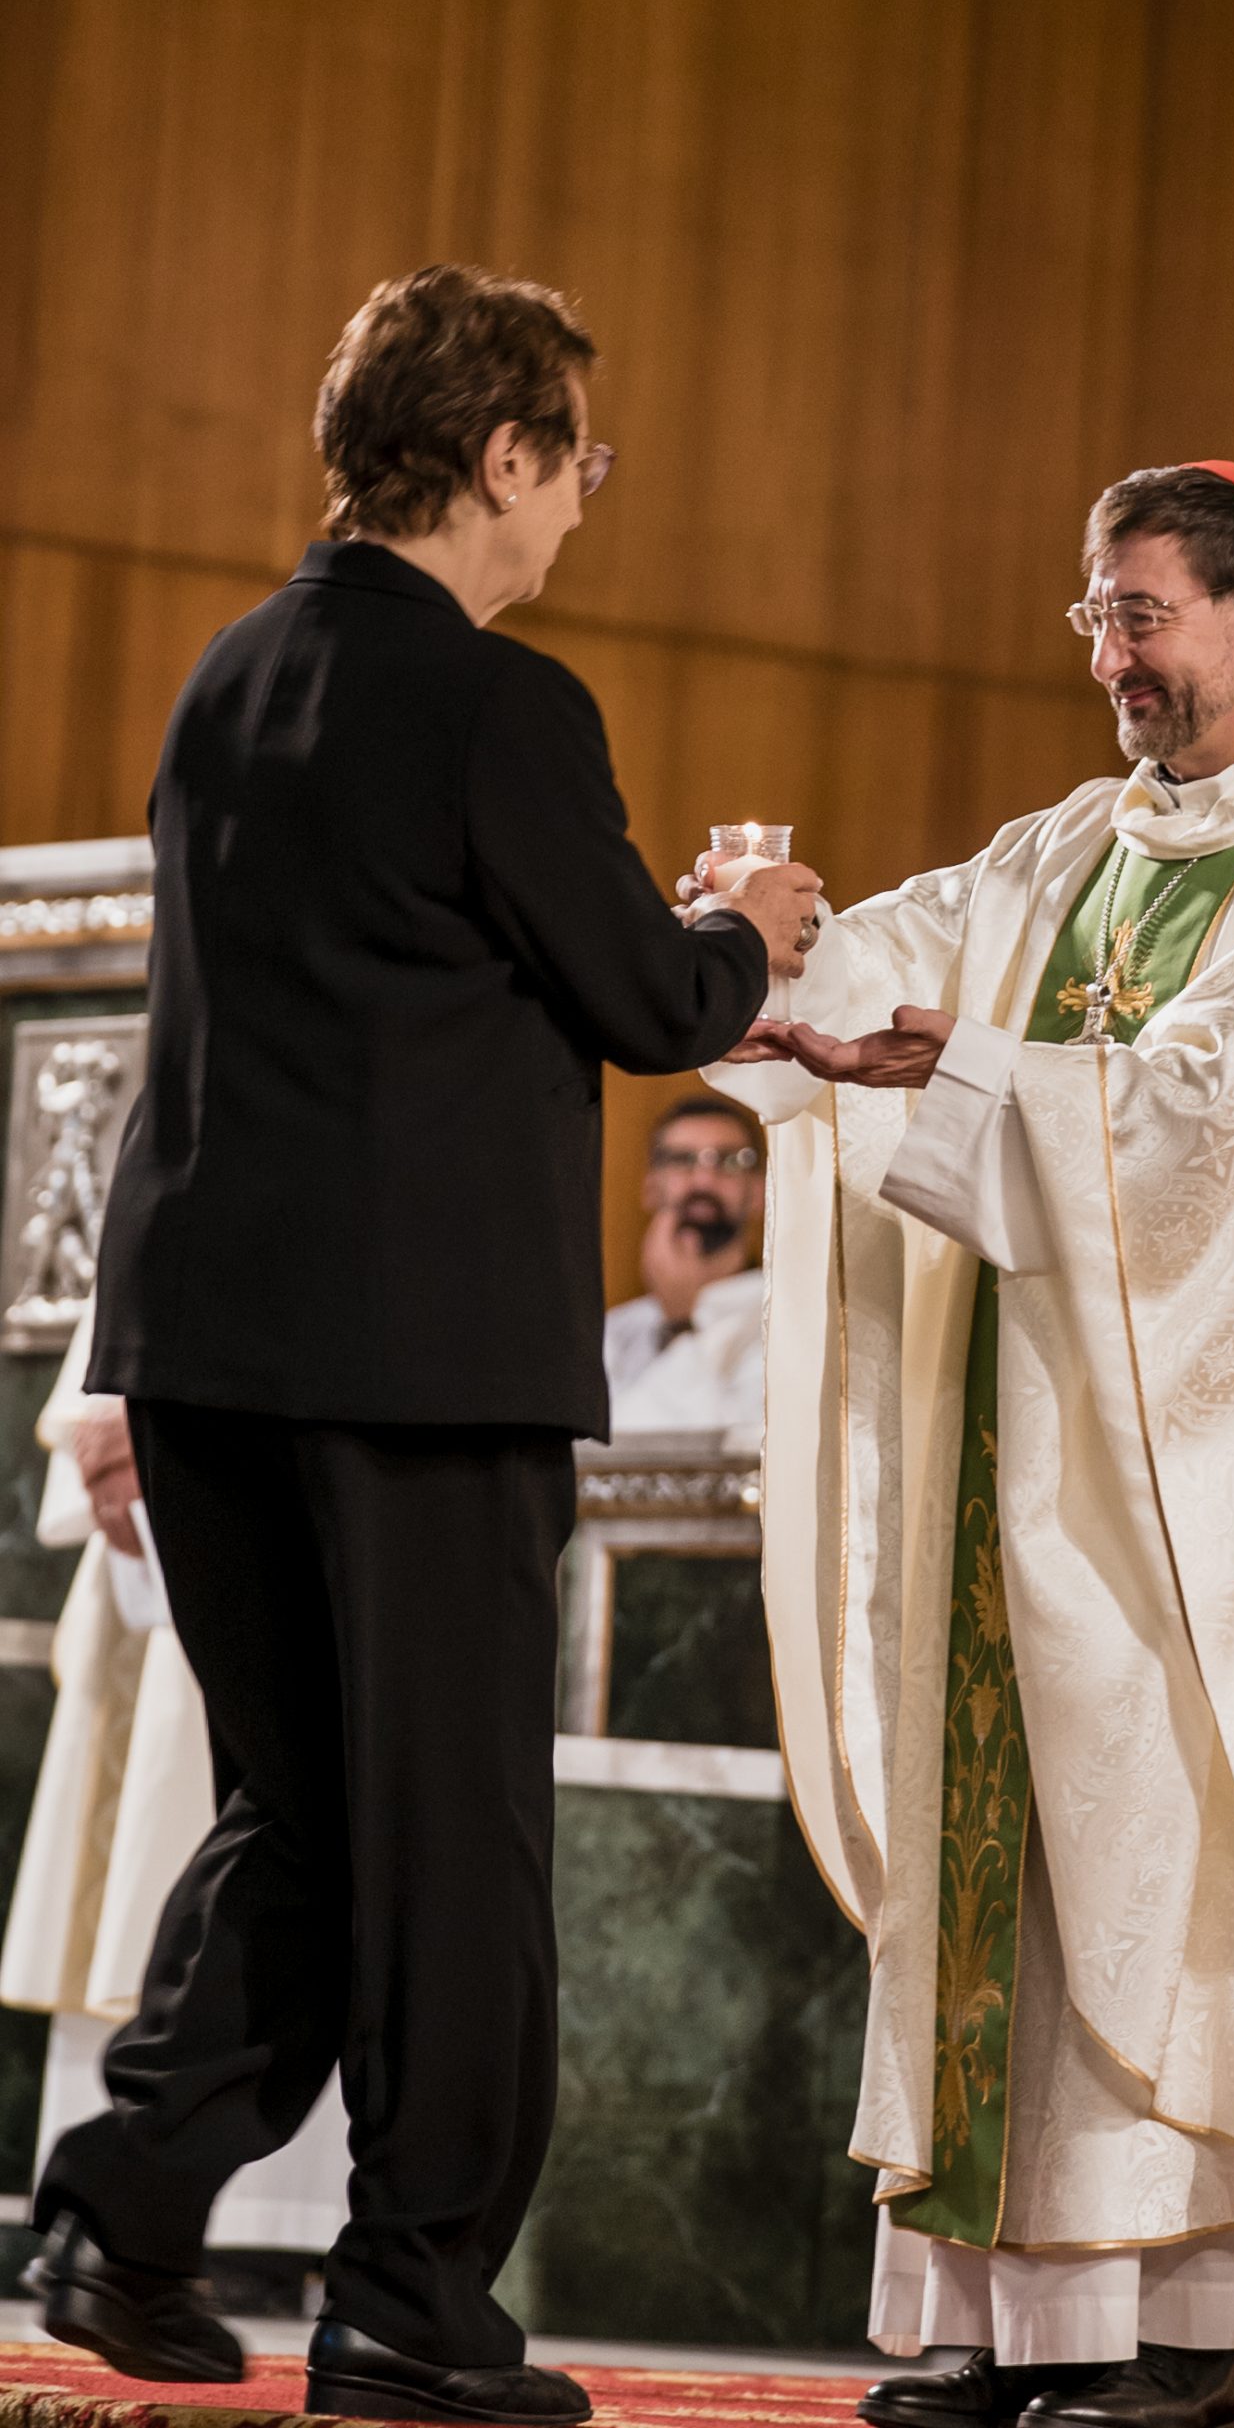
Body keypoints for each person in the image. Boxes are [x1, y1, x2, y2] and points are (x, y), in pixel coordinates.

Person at [29, 262, 821, 2426]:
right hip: (417, 1367)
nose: (580, 502)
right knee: (452, 1836)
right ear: (498, 457)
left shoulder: (229, 676)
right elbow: (651, 1004)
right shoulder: (495, 702)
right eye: (573, 456)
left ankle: (119, 2206)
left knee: (302, 1812)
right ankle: (412, 2300)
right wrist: (745, 920)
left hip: (202, 1345)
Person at [704, 463, 1234, 2428]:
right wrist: (753, 951)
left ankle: (1195, 2334)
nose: (1110, 659)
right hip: (1015, 1487)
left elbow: (1219, 1137)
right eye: (1088, 620)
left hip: (1217, 1505)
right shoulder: (1065, 854)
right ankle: (1007, 2324)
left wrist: (965, 1069)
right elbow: (885, 968)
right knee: (1011, 1881)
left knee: (1180, 1878)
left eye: (1143, 616)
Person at [1, 1310, 347, 2263]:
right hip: (229, 1396)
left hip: (289, 1390)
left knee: (294, 1817)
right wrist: (123, 1389)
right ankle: (136, 2202)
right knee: (274, 1810)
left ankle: (149, 2210)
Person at [603, 1096, 767, 1433]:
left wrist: (682, 1324)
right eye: (681, 1160)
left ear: (759, 1192)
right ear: (649, 1188)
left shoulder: (786, 1322)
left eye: (730, 1161)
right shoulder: (612, 1334)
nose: (704, 1181)